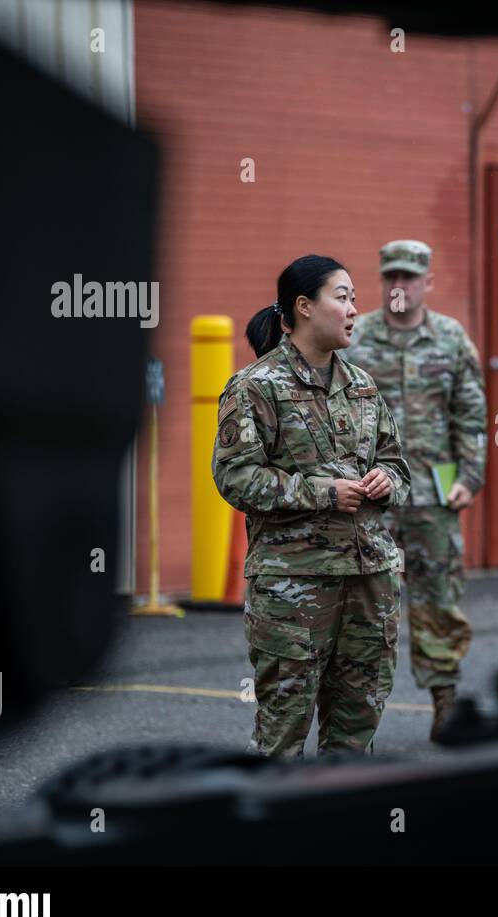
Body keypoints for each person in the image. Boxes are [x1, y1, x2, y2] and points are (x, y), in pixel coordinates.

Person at [213, 254, 411, 757]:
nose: (353, 310)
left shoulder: (362, 385)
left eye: (354, 299)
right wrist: (322, 492)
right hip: (294, 585)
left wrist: (386, 481)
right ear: (304, 306)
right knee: (283, 731)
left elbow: (397, 464)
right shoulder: (256, 387)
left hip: (370, 582)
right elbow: (235, 477)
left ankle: (344, 830)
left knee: (356, 726)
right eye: (342, 297)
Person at [344, 240, 486, 741]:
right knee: (365, 603)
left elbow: (470, 415)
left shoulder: (451, 338)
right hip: (370, 494)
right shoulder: (354, 338)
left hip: (434, 488)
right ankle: (356, 716)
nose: (399, 286)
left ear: (427, 282)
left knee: (438, 597)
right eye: (391, 277)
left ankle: (444, 699)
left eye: (409, 277)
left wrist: (469, 478)